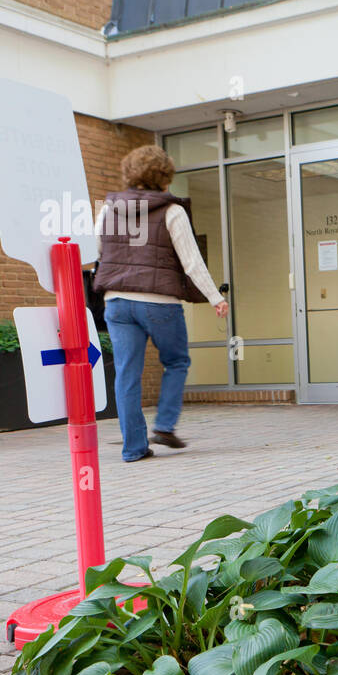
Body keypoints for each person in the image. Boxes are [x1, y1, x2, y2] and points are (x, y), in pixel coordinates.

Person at [93, 145, 228, 462]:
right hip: (159, 303)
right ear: (165, 178)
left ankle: (133, 448)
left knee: (127, 373)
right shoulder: (172, 210)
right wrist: (215, 297)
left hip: (117, 303)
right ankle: (165, 426)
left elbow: (97, 253)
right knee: (176, 362)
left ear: (130, 174)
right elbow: (192, 262)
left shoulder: (107, 209)